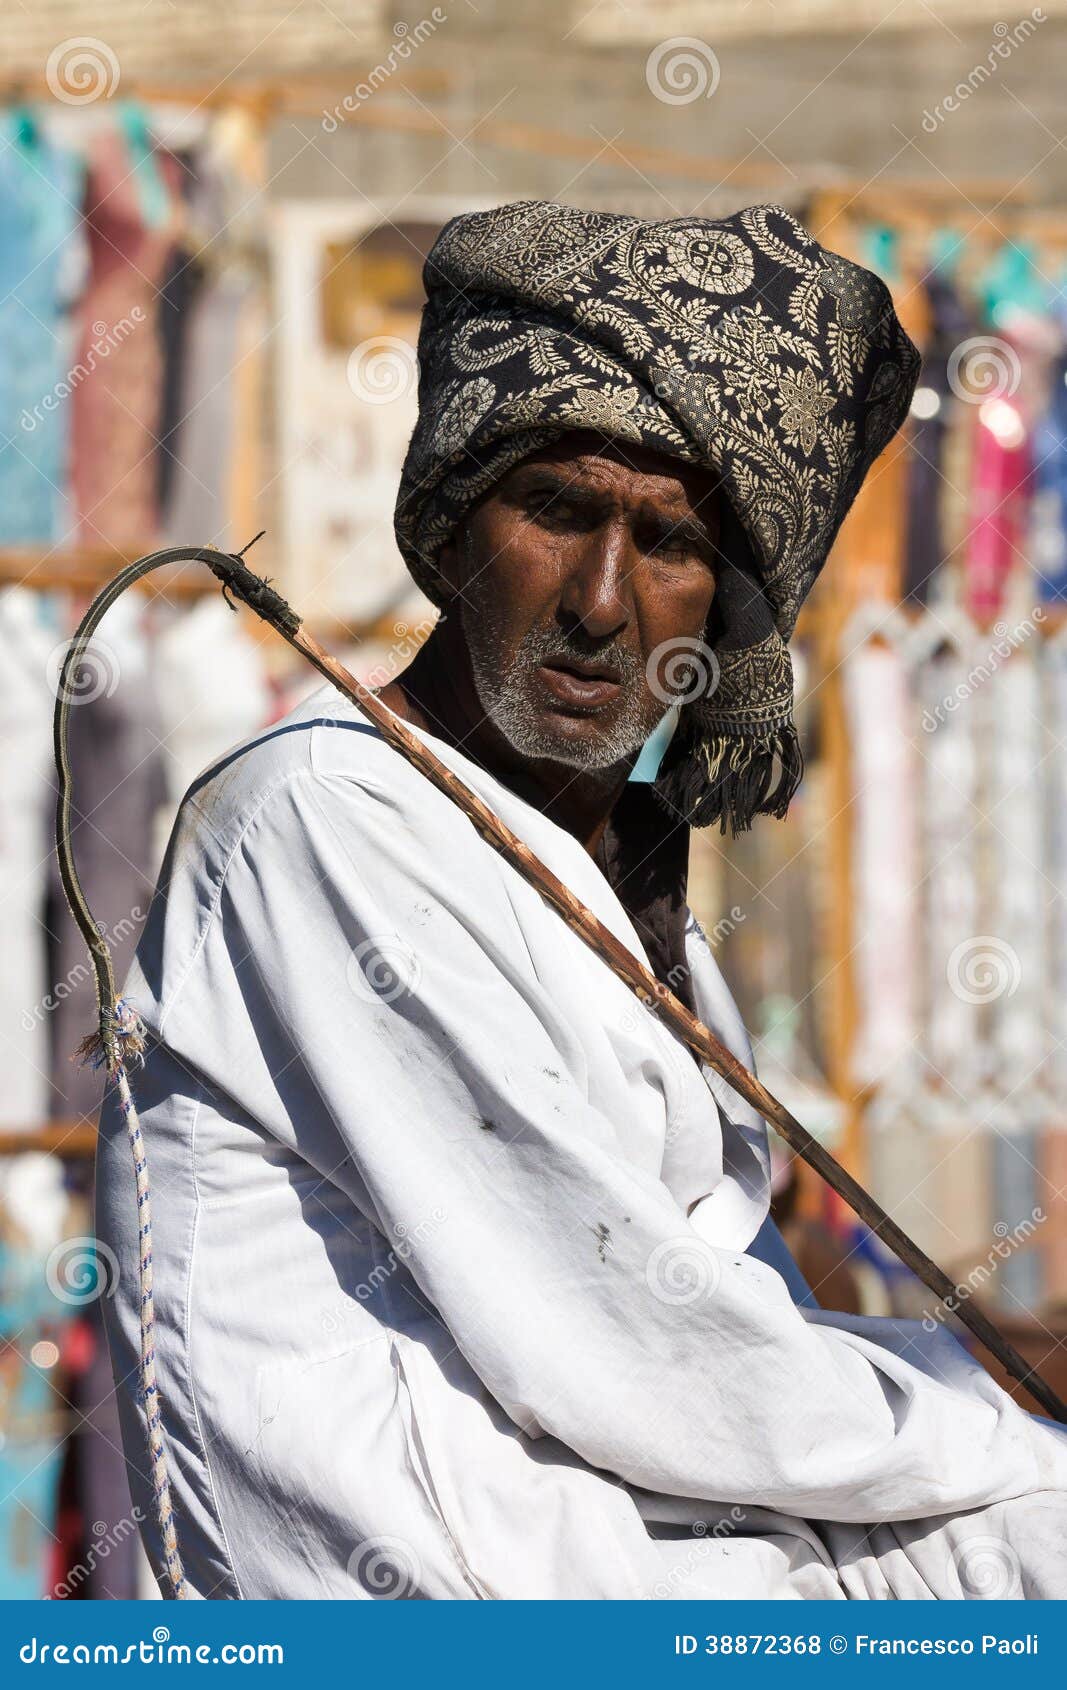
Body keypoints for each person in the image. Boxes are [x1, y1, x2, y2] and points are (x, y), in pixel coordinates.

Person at [97, 200, 1067, 1600]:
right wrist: (1017, 1434)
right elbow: (654, 1363)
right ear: (449, 528)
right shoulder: (324, 822)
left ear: (724, 605)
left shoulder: (613, 882)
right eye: (556, 511)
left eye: (669, 542)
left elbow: (728, 1344)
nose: (602, 602)